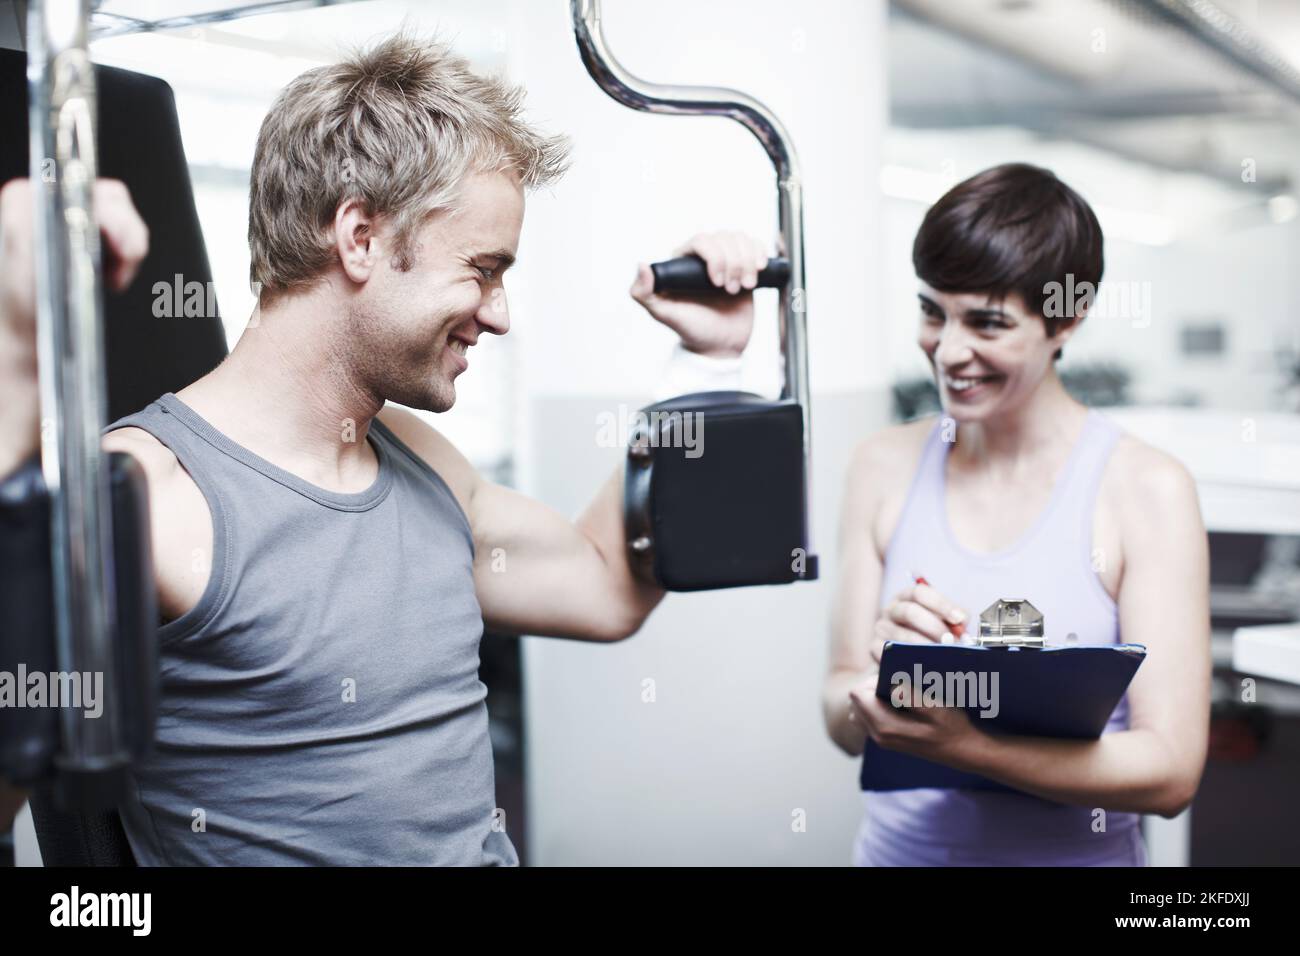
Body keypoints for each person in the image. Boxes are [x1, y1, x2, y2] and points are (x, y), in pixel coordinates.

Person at [0, 32, 770, 865]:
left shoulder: (419, 459)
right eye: (482, 269)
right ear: (360, 236)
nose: (500, 313)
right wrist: (16, 355)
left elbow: (606, 583)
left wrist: (703, 367)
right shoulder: (150, 493)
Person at [821, 163, 1211, 866]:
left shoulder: (1147, 490)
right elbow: (839, 717)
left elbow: (1172, 769)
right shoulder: (880, 466)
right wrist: (879, 681)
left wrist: (970, 747)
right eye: (932, 311)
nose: (948, 349)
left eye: (987, 323)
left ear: (1066, 317)